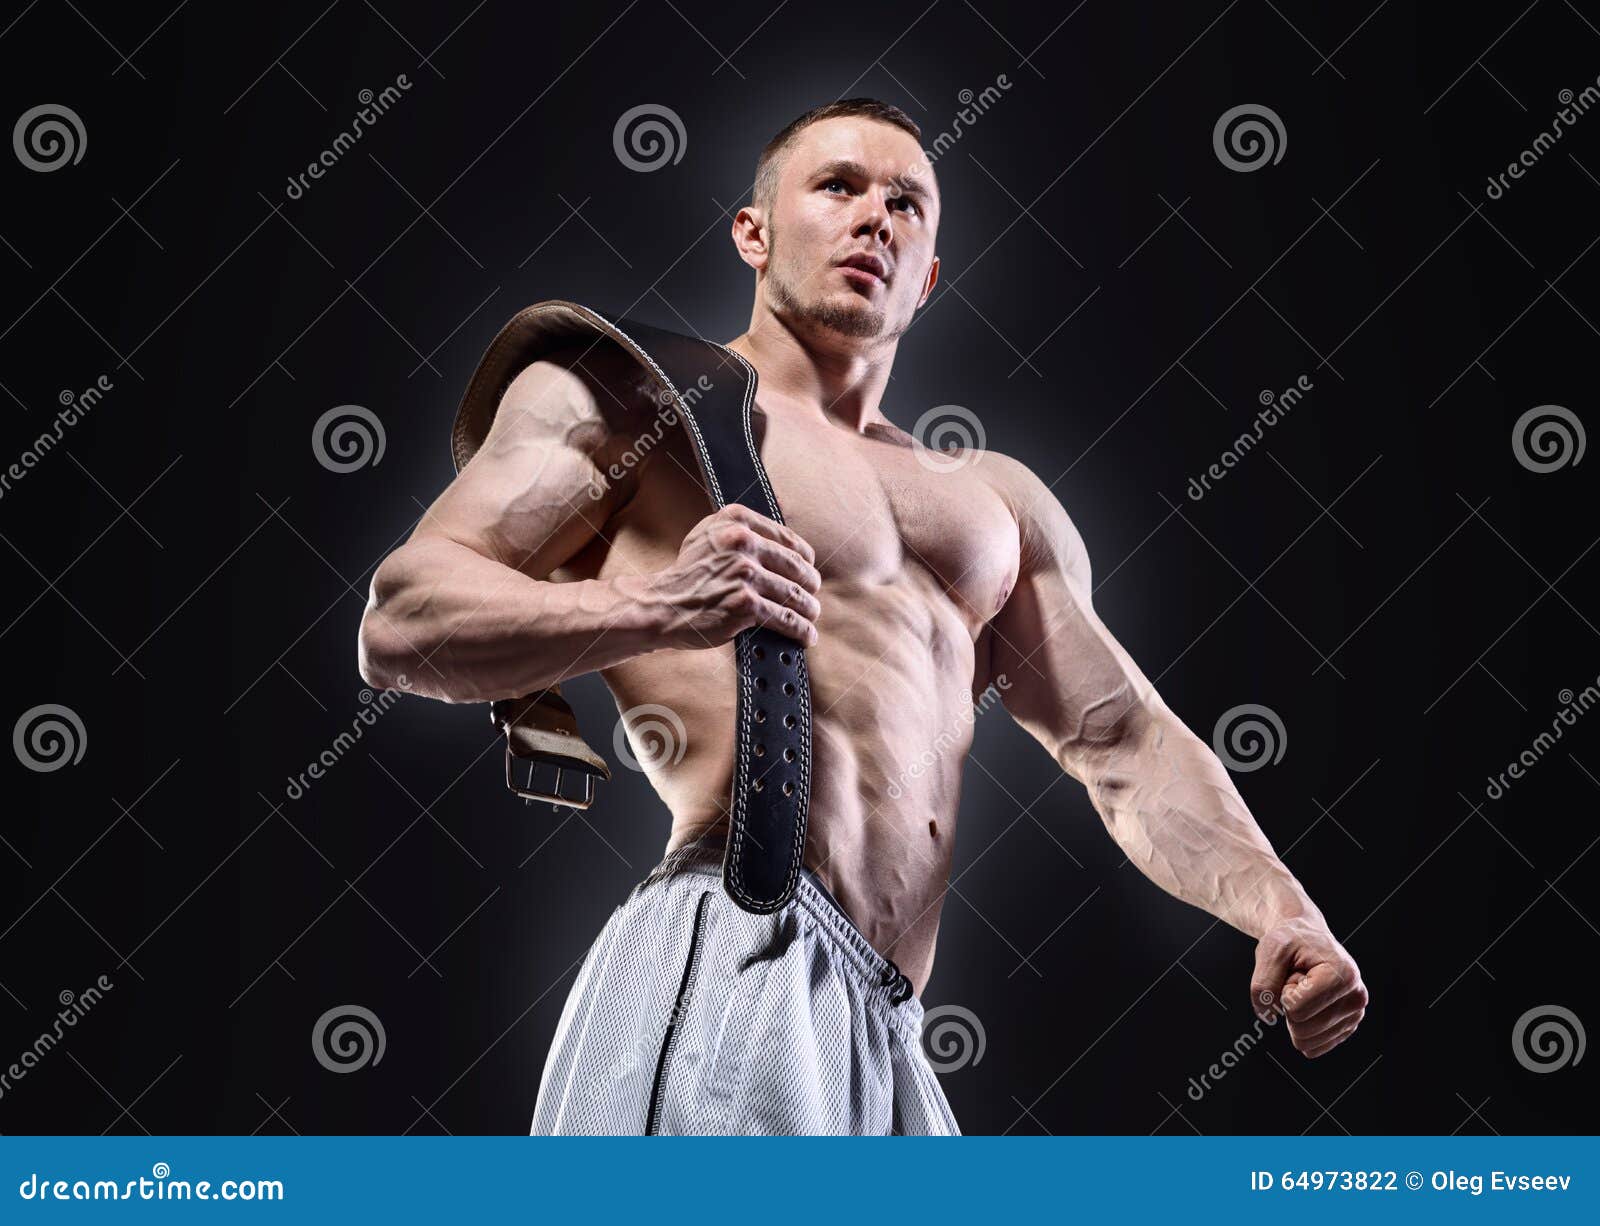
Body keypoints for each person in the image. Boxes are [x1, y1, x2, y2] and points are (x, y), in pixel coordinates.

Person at [356, 98, 1367, 1134]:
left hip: (888, 1027)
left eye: (906, 202)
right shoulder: (632, 402)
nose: (874, 215)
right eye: (837, 186)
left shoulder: (995, 502)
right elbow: (402, 617)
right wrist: (653, 603)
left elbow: (1119, 737)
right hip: (727, 946)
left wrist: (1279, 904)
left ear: (927, 275)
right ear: (754, 232)